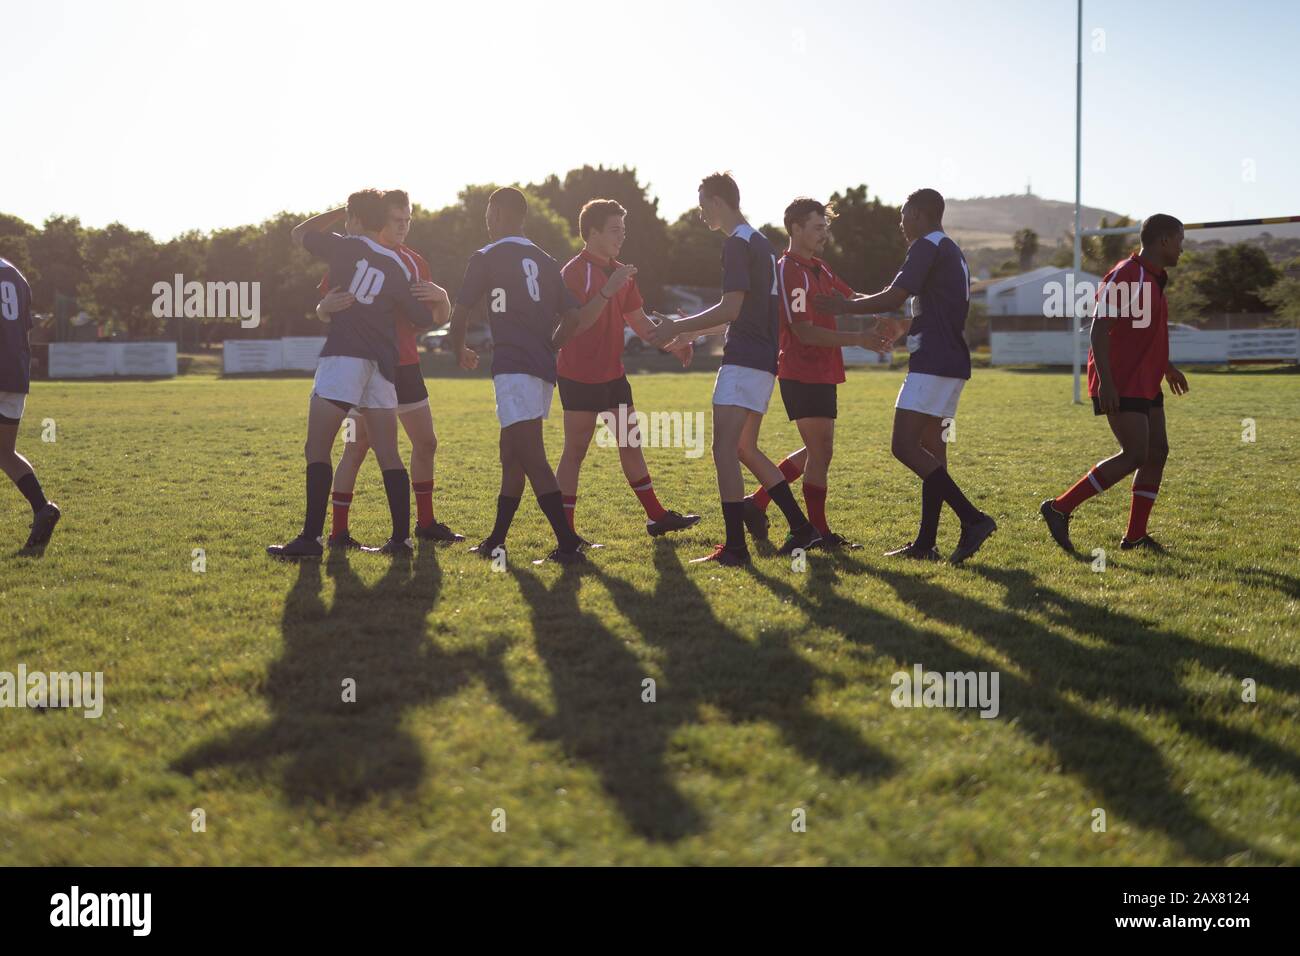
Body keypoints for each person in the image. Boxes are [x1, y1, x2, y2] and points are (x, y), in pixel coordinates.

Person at [648, 172, 821, 565]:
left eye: (702, 202)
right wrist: (693, 333)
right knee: (744, 447)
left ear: (717, 201)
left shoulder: (737, 244)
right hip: (761, 361)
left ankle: (736, 548)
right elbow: (741, 314)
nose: (699, 211)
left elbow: (732, 309)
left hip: (745, 361)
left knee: (724, 449)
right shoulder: (758, 242)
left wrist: (679, 325)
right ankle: (802, 528)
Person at [817, 187, 996, 565]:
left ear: (917, 213)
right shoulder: (950, 249)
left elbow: (893, 295)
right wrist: (905, 326)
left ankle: (973, 519)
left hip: (934, 363)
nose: (900, 222)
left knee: (904, 446)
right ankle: (926, 543)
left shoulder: (927, 245)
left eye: (903, 214)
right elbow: (932, 308)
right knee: (932, 452)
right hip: (952, 364)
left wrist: (843, 305)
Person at [266, 189, 435, 559]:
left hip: (344, 361)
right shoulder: (398, 265)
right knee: (388, 452)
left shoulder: (344, 248)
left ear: (357, 219)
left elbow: (298, 233)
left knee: (317, 448)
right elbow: (423, 319)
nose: (345, 224)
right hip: (383, 366)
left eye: (348, 218)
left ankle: (310, 540)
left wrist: (337, 211)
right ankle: (401, 540)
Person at [743, 196, 897, 549]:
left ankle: (757, 504)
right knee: (821, 451)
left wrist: (886, 310)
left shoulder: (820, 268)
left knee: (818, 450)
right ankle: (818, 534)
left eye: (826, 227)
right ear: (795, 228)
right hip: (801, 370)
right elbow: (804, 331)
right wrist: (859, 338)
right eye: (817, 227)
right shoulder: (790, 271)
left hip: (823, 369)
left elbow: (852, 297)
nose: (824, 234)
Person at [446, 186, 588, 565]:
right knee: (511, 454)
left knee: (530, 456)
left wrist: (458, 349)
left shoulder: (487, 256)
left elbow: (458, 314)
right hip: (540, 368)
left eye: (488, 214)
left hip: (515, 367)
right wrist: (552, 345)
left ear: (497, 213)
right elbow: (572, 316)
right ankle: (496, 541)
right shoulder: (545, 258)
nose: (486, 222)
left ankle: (568, 543)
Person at [314, 189, 463, 549]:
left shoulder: (414, 262)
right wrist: (321, 307)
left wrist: (444, 299)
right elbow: (329, 304)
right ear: (380, 219)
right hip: (361, 365)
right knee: (356, 447)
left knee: (426, 443)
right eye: (396, 219)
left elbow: (435, 319)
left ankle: (424, 523)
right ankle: (338, 533)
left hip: (406, 366)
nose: (403, 226)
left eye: (408, 219)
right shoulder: (353, 252)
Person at [1041, 213, 1188, 553]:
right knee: (1136, 453)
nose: (1182, 248)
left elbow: (1143, 333)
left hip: (1146, 379)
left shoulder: (1155, 277)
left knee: (1157, 452)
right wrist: (1107, 383)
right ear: (1164, 240)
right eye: (1180, 240)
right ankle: (1059, 507)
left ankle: (1135, 536)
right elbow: (1098, 328)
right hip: (1121, 381)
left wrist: (1167, 367)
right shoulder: (1128, 273)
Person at [555, 198, 700, 542]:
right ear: (592, 233)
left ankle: (656, 518)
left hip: (613, 375)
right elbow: (572, 326)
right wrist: (608, 288)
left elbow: (642, 325)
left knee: (631, 443)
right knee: (575, 454)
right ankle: (567, 535)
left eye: (624, 229)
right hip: (577, 375)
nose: (622, 236)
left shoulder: (622, 273)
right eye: (615, 230)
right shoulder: (573, 272)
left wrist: (674, 343)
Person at [0, 256, 60, 548]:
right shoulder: (16, 275)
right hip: (15, 374)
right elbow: (25, 329)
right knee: (4, 452)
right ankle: (42, 508)